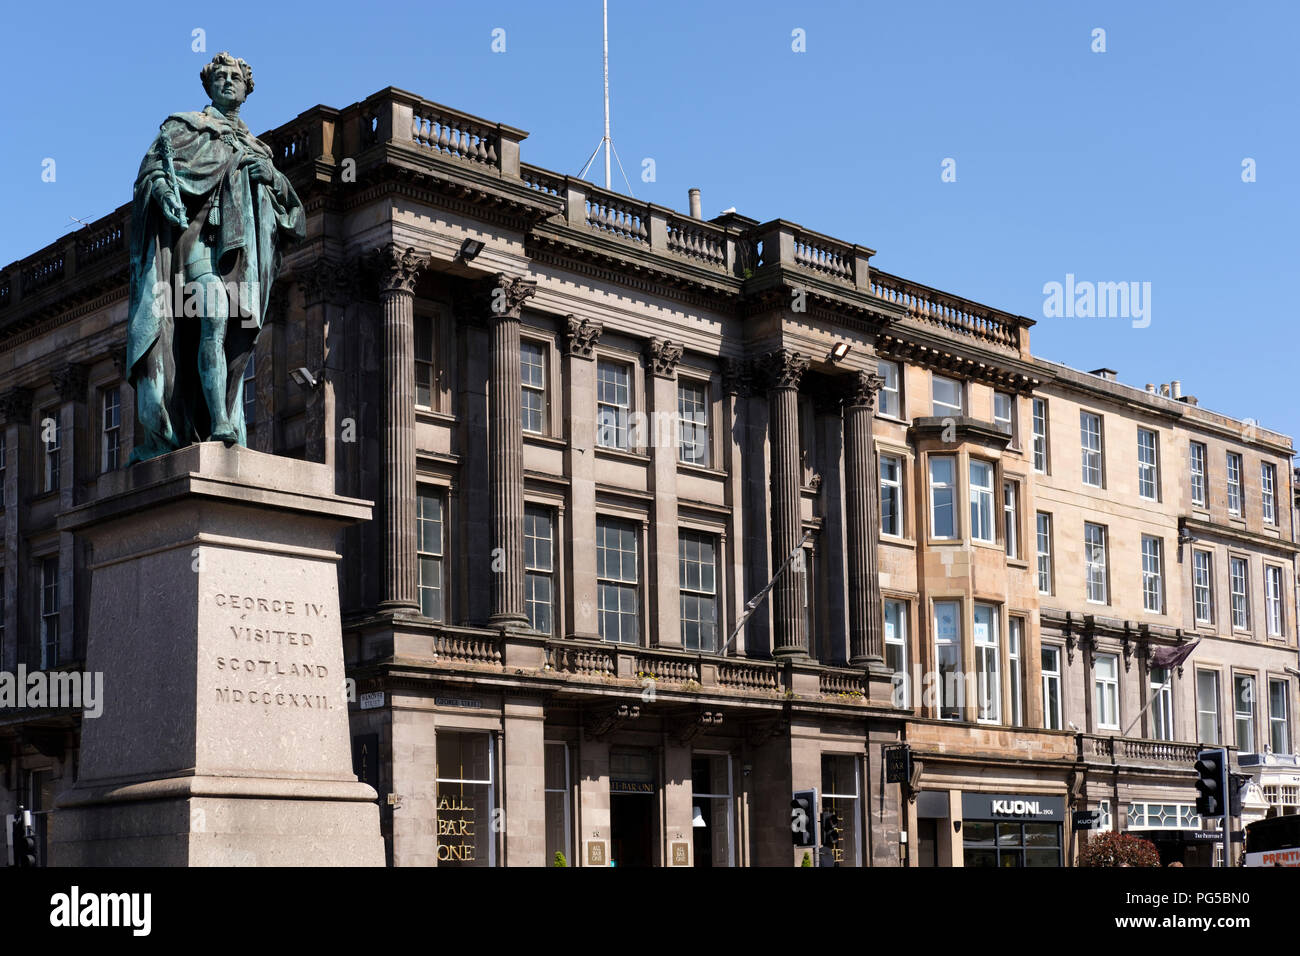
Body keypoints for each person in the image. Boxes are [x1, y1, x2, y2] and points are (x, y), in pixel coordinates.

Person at [126, 52, 305, 463]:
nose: (228, 82)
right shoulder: (184, 129)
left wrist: (272, 178)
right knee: (215, 314)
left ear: (247, 89)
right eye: (220, 76)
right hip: (196, 245)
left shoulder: (257, 149)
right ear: (208, 86)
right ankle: (222, 420)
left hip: (239, 258)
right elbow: (151, 174)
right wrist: (164, 194)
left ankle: (217, 418)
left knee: (229, 336)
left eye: (236, 77)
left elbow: (293, 219)